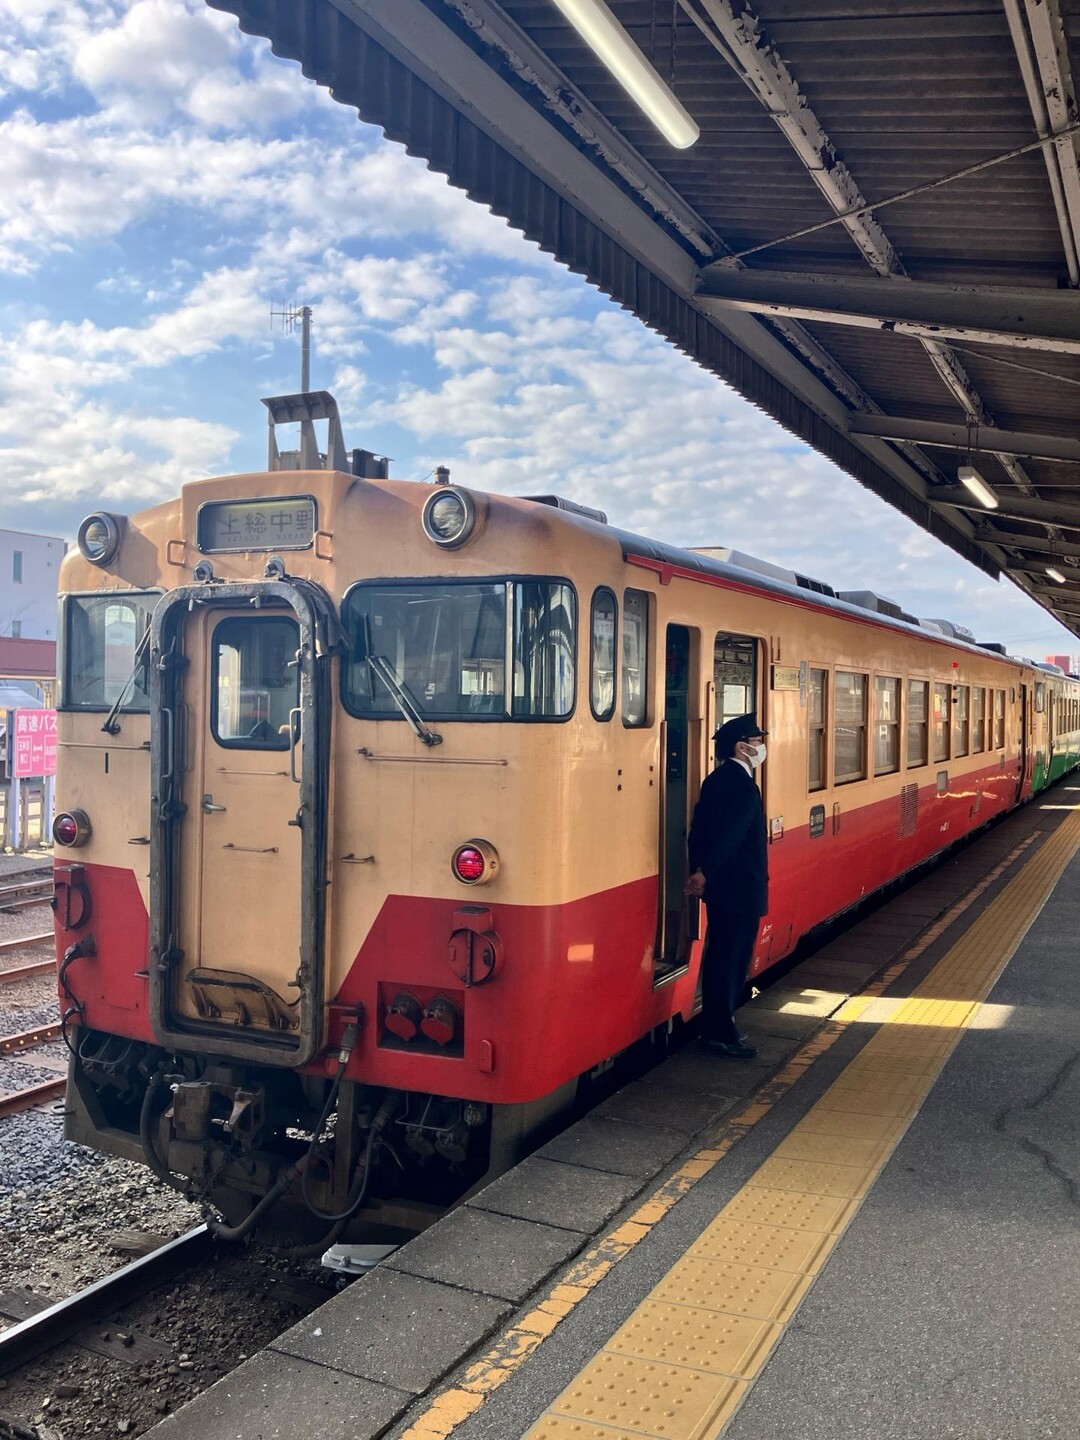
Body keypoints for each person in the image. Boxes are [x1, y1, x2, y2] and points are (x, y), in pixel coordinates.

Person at [685, 713, 768, 1058]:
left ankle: (717, 1027)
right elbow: (731, 837)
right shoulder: (743, 786)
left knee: (721, 955)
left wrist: (698, 870)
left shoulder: (715, 780)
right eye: (757, 741)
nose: (762, 747)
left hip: (723, 889)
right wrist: (705, 872)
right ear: (741, 747)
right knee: (731, 961)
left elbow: (699, 831)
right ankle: (721, 1032)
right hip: (740, 888)